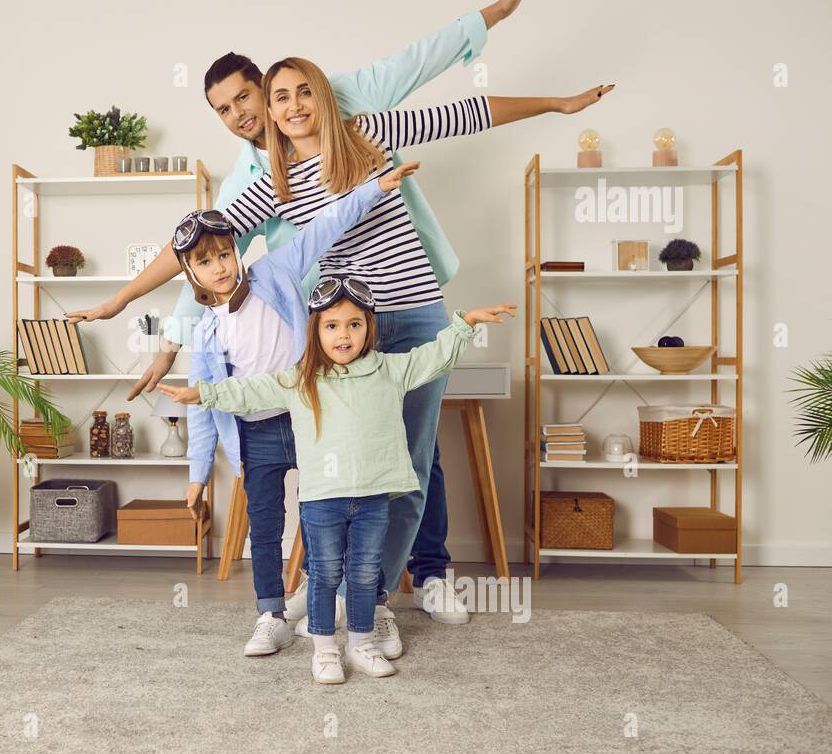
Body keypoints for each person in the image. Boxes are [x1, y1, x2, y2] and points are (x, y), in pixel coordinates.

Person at [73, 53, 613, 635]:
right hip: (342, 331)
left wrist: (557, 105)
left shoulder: (367, 138)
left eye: (303, 92)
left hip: (416, 315)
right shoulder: (272, 185)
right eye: (282, 99)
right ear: (271, 112)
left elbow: (469, 112)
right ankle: (331, 587)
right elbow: (196, 245)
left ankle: (381, 598)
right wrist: (121, 299)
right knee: (353, 463)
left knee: (409, 461)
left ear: (321, 95)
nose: (294, 106)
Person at [162, 282, 516, 684]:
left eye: (353, 325)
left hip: (373, 499)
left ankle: (361, 644)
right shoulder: (300, 379)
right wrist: (203, 393)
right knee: (325, 575)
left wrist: (464, 324)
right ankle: (325, 651)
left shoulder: (389, 370)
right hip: (321, 502)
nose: (343, 335)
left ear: (369, 328)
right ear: (316, 332)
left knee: (366, 576)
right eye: (331, 326)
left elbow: (432, 357)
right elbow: (248, 389)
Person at [171, 168, 413, 657]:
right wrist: (197, 476)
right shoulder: (205, 334)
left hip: (310, 419)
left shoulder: (275, 272)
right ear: (190, 274)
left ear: (236, 250)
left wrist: (373, 189)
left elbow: (324, 226)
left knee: (333, 510)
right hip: (254, 432)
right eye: (205, 261)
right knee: (264, 524)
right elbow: (203, 405)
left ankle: (352, 601)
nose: (218, 266)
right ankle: (271, 614)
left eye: (223, 253)